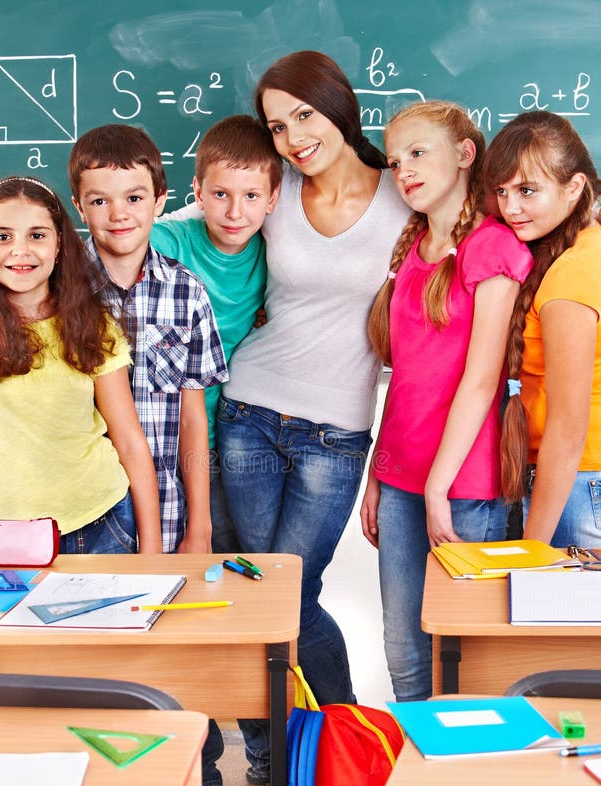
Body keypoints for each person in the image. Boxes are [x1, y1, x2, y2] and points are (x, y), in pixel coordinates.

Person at [215, 50, 409, 716]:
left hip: (337, 432)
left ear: (336, 105)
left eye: (303, 115)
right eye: (275, 127)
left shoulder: (402, 192)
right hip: (247, 412)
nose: (293, 139)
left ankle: (346, 734)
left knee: (289, 593)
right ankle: (282, 749)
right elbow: (187, 225)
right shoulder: (274, 191)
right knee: (256, 588)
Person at [360, 101, 534, 702]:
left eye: (417, 153)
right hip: (404, 476)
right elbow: (405, 378)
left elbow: (481, 380)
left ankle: (458, 784)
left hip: (460, 485)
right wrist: (379, 476)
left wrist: (437, 486)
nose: (403, 170)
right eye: (394, 160)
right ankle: (416, 777)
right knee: (404, 651)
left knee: (457, 655)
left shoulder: (491, 248)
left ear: (464, 154)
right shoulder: (411, 248)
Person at [152, 115, 282, 786]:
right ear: (195, 192)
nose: (233, 213)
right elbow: (66, 263)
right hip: (163, 437)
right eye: (219, 195)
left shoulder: (279, 245)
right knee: (183, 599)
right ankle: (199, 767)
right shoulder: (169, 236)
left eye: (249, 196)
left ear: (271, 197)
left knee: (241, 593)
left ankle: (264, 750)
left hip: (238, 436)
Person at [0, 175, 162, 555]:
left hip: (102, 523)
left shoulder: (92, 324)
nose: (21, 251)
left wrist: (152, 548)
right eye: (3, 236)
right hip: (5, 536)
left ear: (59, 245)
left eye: (37, 235)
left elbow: (130, 441)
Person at [67, 124, 228, 556]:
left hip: (166, 514)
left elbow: (193, 419)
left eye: (134, 198)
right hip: (80, 516)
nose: (119, 214)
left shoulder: (186, 291)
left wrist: (201, 526)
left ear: (159, 200)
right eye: (100, 201)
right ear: (79, 208)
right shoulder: (57, 290)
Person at [483, 111, 601, 547]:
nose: (510, 208)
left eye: (527, 190)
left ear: (574, 187)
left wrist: (530, 550)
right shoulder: (584, 244)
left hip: (577, 485)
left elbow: (569, 430)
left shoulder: (571, 275)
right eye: (502, 191)